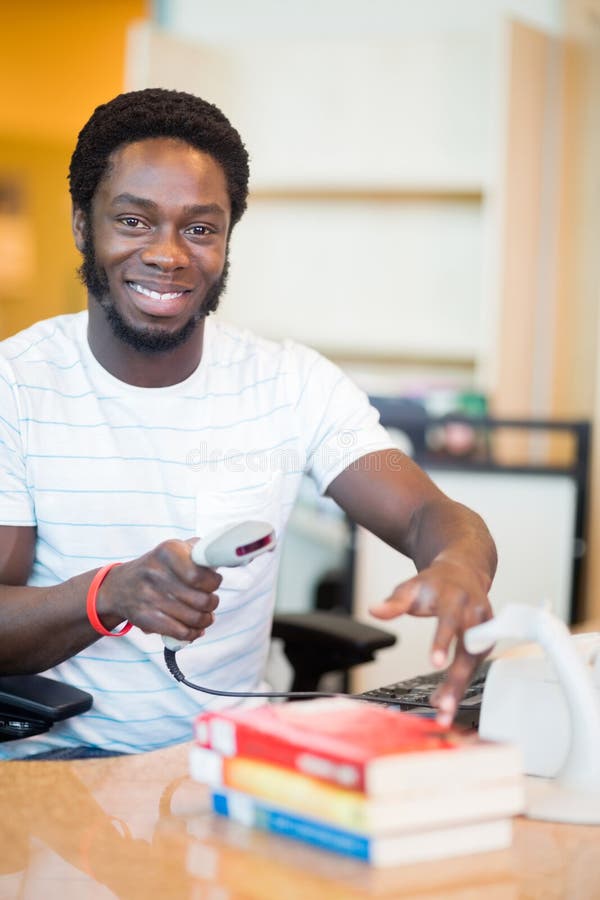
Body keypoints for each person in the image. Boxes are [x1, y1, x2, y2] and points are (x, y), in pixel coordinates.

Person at [0, 88, 496, 759]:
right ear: (84, 226)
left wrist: (460, 563)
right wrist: (108, 593)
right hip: (60, 769)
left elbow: (428, 516)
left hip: (229, 763)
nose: (170, 254)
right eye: (135, 221)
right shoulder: (16, 386)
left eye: (200, 228)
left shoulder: (293, 383)